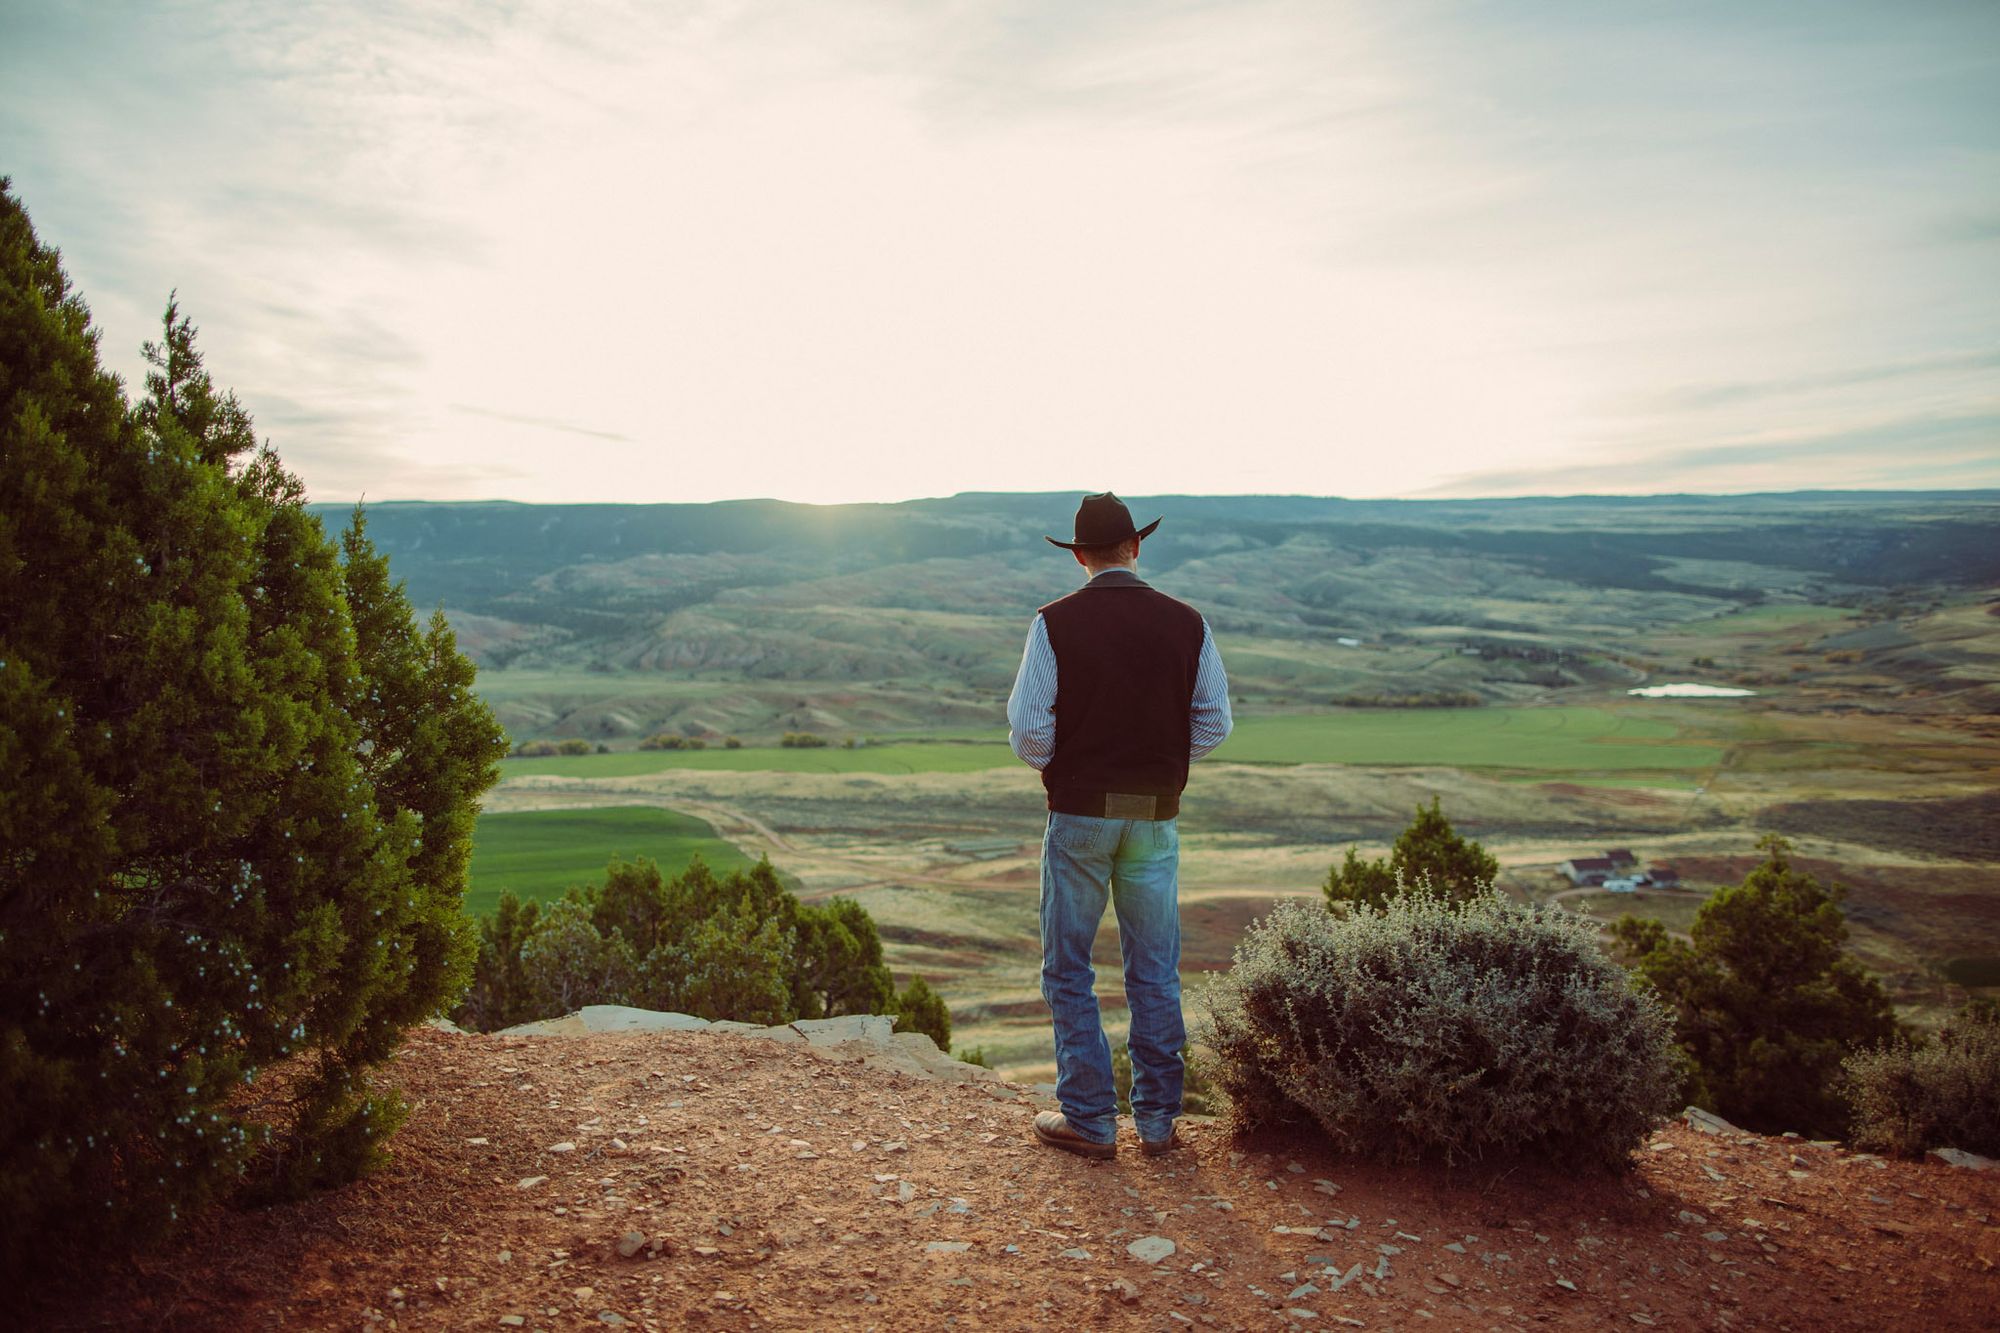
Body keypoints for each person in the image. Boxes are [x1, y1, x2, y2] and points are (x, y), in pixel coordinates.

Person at [1006, 492, 1232, 1159]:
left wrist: (1072, 766)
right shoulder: (1188, 622)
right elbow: (1215, 721)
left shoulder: (1053, 622)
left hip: (1078, 814)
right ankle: (1159, 1123)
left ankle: (1089, 1119)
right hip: (1154, 815)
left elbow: (1027, 726)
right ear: (1137, 546)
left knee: (1069, 966)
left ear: (1078, 556)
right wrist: (1156, 760)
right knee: (1154, 968)